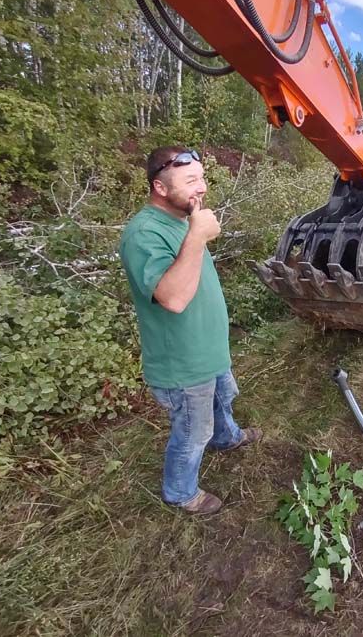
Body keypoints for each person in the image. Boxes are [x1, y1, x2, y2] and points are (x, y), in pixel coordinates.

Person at [119, 145, 262, 515]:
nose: (201, 188)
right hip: (182, 364)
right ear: (160, 187)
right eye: (190, 181)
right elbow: (172, 298)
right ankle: (181, 492)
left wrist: (194, 230)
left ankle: (227, 437)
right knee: (191, 431)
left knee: (223, 399)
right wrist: (197, 236)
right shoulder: (144, 233)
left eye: (202, 178)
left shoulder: (182, 219)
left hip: (208, 351)